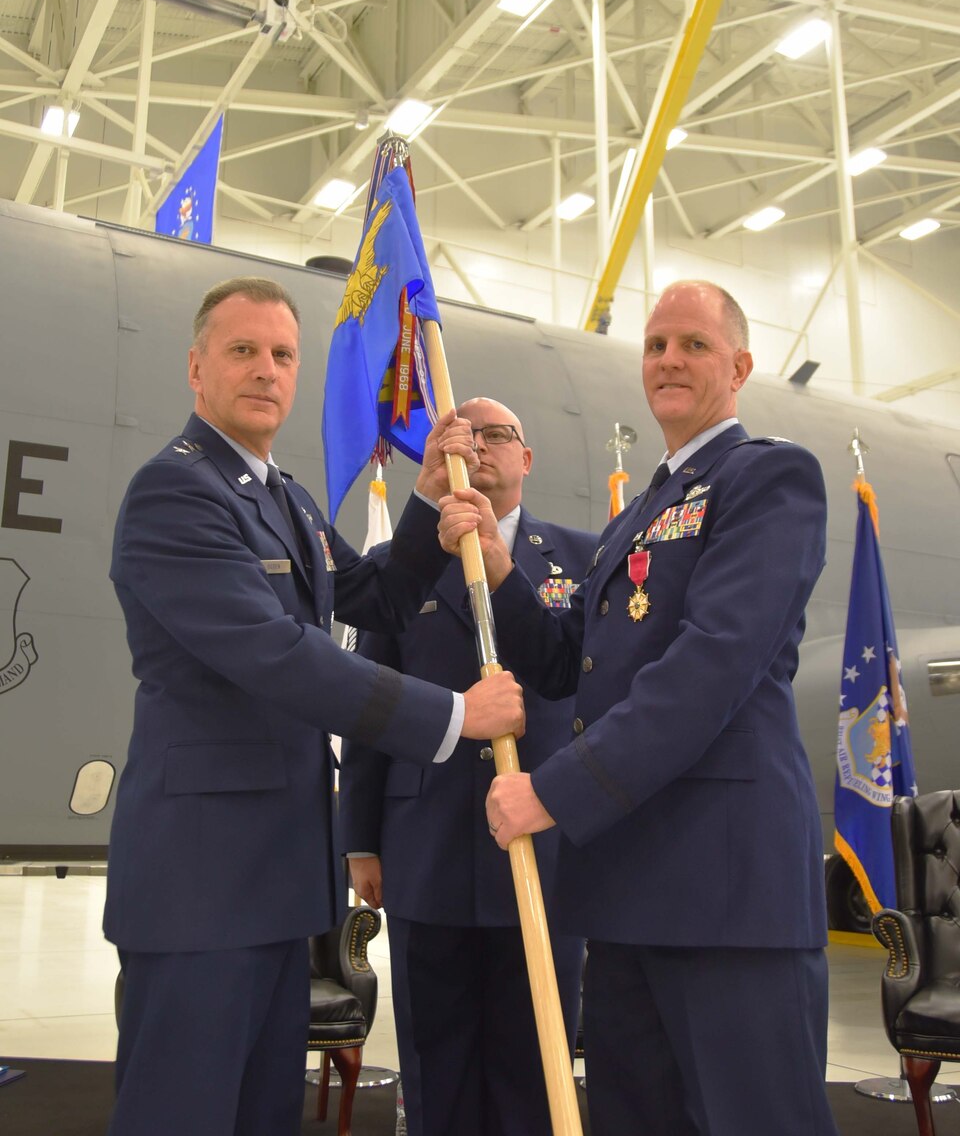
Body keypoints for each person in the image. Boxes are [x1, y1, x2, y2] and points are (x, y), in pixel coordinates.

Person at [104, 277, 525, 1136]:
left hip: (276, 881)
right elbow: (280, 657)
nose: (266, 370)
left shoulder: (284, 499)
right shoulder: (176, 494)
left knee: (260, 1114)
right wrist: (453, 718)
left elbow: (372, 595)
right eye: (243, 350)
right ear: (196, 367)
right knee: (180, 1114)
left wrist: (429, 511)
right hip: (199, 885)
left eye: (283, 355)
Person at [439, 281, 839, 1136]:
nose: (667, 360)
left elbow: (708, 668)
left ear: (739, 365)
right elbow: (566, 660)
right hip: (625, 893)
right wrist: (502, 571)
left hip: (725, 895)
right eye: (656, 345)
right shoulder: (643, 512)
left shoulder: (768, 477)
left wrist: (553, 792)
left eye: (692, 345)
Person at [339, 397, 595, 1136]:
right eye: (463, 434)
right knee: (435, 1056)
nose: (479, 445)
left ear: (526, 458)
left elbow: (588, 694)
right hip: (427, 846)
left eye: (498, 435)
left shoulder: (581, 560)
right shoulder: (399, 568)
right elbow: (369, 705)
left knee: (535, 1053)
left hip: (546, 848)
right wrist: (361, 837)